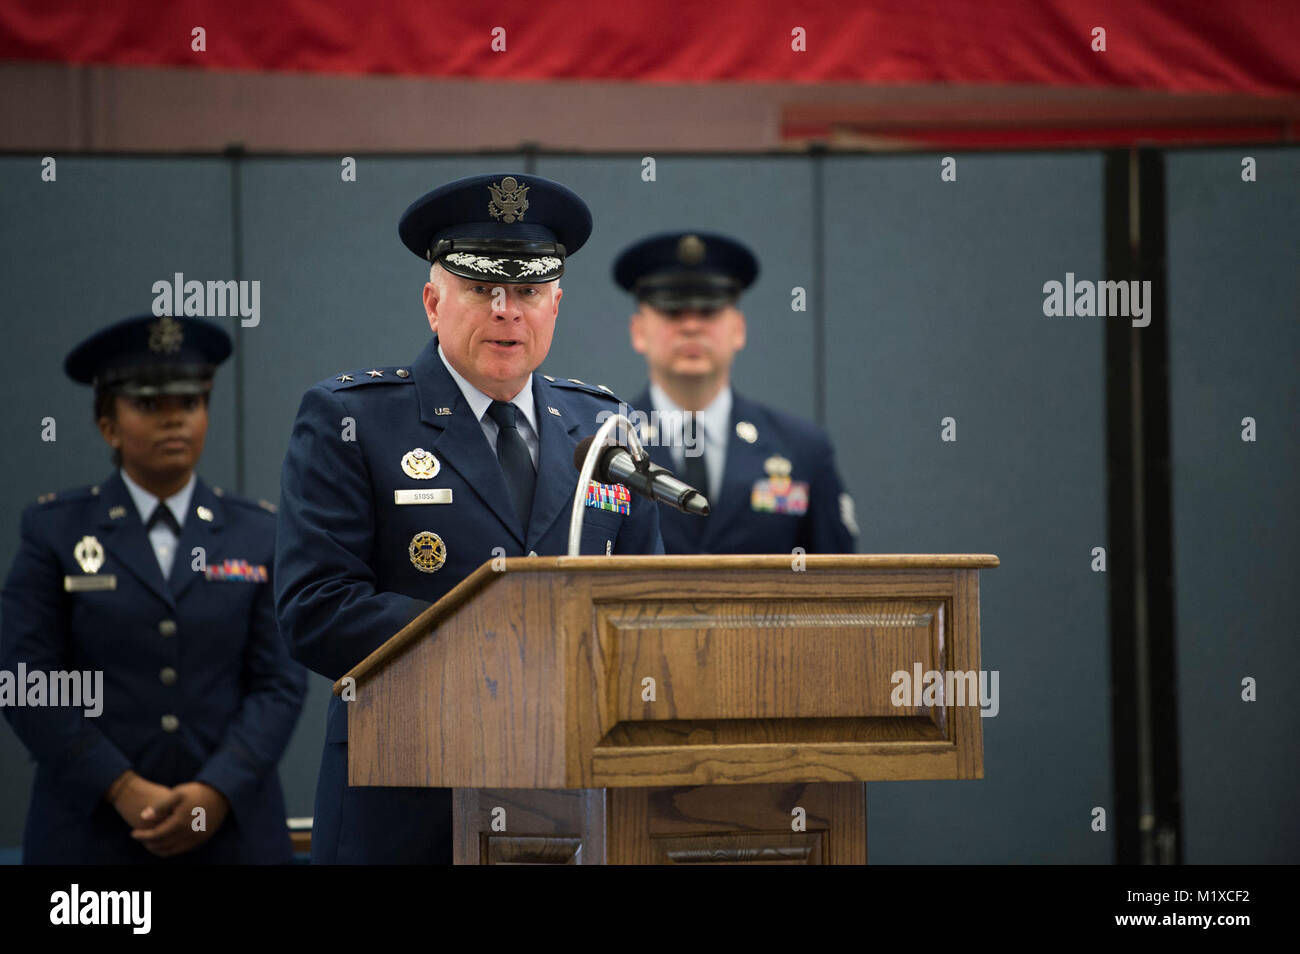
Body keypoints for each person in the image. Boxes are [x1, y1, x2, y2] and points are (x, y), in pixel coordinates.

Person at [275, 172, 663, 865]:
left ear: (555, 305)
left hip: (574, 801)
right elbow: (316, 609)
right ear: (433, 302)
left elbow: (648, 606)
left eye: (529, 292)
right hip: (409, 801)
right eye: (483, 289)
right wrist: (496, 642)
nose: (507, 311)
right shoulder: (351, 419)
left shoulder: (605, 427)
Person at [0, 314, 307, 864]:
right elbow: (26, 679)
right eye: (149, 405)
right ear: (107, 425)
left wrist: (216, 789)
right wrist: (117, 784)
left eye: (189, 404)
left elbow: (279, 684)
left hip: (231, 829)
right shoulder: (55, 529)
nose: (175, 421)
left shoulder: (258, 531)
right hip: (91, 830)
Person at [616, 231, 858, 555]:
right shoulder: (605, 446)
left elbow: (840, 582)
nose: (691, 326)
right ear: (638, 331)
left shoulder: (802, 449)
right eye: (672, 312)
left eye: (708, 312)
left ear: (739, 329)